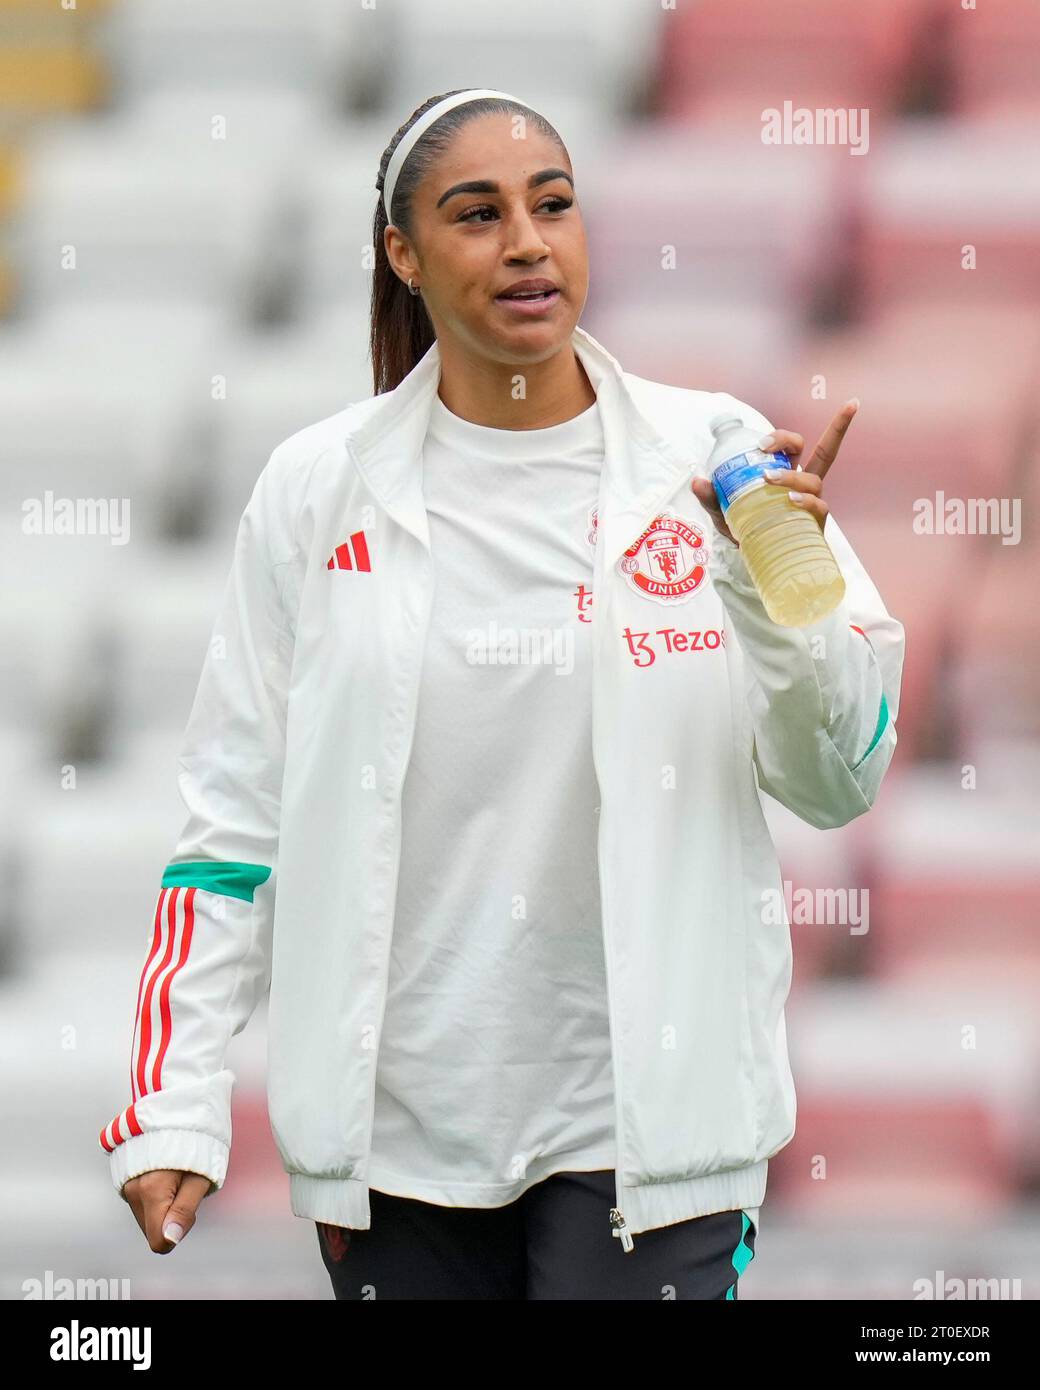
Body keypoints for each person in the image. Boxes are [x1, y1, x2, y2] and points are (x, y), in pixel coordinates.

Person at [100, 89, 904, 1300]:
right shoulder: (315, 491)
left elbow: (839, 775)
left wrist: (758, 592)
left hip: (648, 1142)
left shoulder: (718, 460)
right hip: (394, 1152)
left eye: (554, 205)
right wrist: (174, 1104)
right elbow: (230, 825)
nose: (527, 241)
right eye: (476, 215)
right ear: (402, 255)